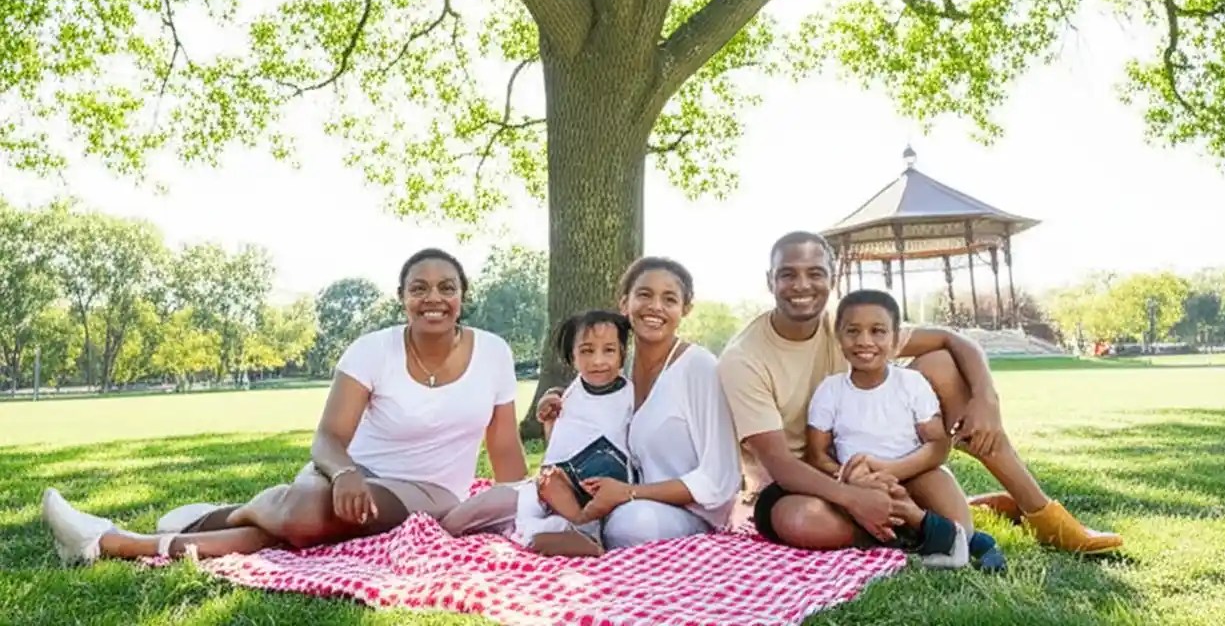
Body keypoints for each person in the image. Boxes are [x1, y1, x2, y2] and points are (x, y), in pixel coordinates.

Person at [40, 248, 529, 565]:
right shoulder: (371, 350)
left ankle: (131, 538)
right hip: (348, 473)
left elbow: (505, 447)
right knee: (298, 523)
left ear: (463, 297)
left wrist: (523, 512)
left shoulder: (494, 353)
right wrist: (343, 473)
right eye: (418, 288)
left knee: (304, 517)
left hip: (430, 491)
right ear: (402, 298)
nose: (433, 298)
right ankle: (112, 541)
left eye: (446, 286)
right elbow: (328, 438)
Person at [718, 231, 1123, 554]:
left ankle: (1041, 512)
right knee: (806, 523)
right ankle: (942, 521)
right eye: (788, 274)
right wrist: (853, 495)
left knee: (943, 363)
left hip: (881, 459)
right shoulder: (743, 358)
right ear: (769, 281)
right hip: (805, 483)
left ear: (833, 277)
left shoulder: (850, 324)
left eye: (815, 273)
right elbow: (782, 465)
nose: (801, 284)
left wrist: (987, 399)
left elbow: (952, 338)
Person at [534, 257, 742, 550]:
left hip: (686, 513)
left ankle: (586, 537)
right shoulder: (618, 367)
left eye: (669, 299)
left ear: (685, 309)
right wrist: (554, 407)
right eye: (644, 294)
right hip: (611, 499)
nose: (655, 306)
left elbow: (720, 477)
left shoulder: (698, 367)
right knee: (536, 499)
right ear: (624, 303)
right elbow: (583, 426)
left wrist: (630, 493)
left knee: (630, 524)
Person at [806, 289, 1007, 571]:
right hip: (858, 483)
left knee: (959, 524)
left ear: (896, 338)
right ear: (838, 336)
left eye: (878, 331)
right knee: (827, 519)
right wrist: (849, 477)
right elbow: (816, 454)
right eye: (853, 331)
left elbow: (938, 445)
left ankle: (971, 541)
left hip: (914, 471)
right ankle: (914, 533)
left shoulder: (911, 384)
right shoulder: (831, 390)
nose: (865, 341)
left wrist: (892, 471)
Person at [512, 310, 637, 557]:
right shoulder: (572, 392)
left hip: (609, 477)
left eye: (609, 350)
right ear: (573, 357)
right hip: (568, 477)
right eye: (587, 351)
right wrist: (551, 400)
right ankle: (577, 528)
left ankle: (578, 529)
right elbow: (563, 437)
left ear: (623, 355)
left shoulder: (631, 394)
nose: (598, 361)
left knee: (543, 491)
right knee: (542, 484)